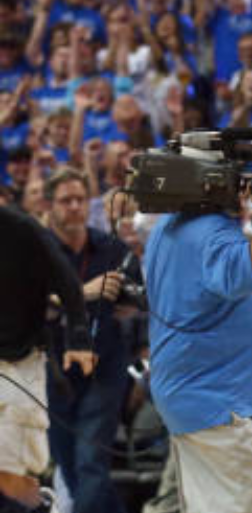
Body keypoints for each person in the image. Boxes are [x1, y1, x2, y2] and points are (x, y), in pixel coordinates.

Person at [142, 167, 252, 513]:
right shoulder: (212, 234)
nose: (244, 189)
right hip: (216, 397)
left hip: (194, 392)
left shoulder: (168, 226)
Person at [41, 167, 134, 513]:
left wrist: (126, 298)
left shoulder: (111, 247)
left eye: (81, 199)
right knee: (72, 466)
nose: (75, 206)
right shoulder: (37, 250)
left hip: (104, 366)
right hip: (54, 369)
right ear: (51, 206)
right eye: (66, 200)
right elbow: (27, 305)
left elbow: (136, 298)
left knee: (91, 461)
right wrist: (83, 294)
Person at [0, 205, 95, 512]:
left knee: (12, 477)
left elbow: (68, 283)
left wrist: (79, 339)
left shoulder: (22, 229)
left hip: (18, 365)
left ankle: (43, 508)